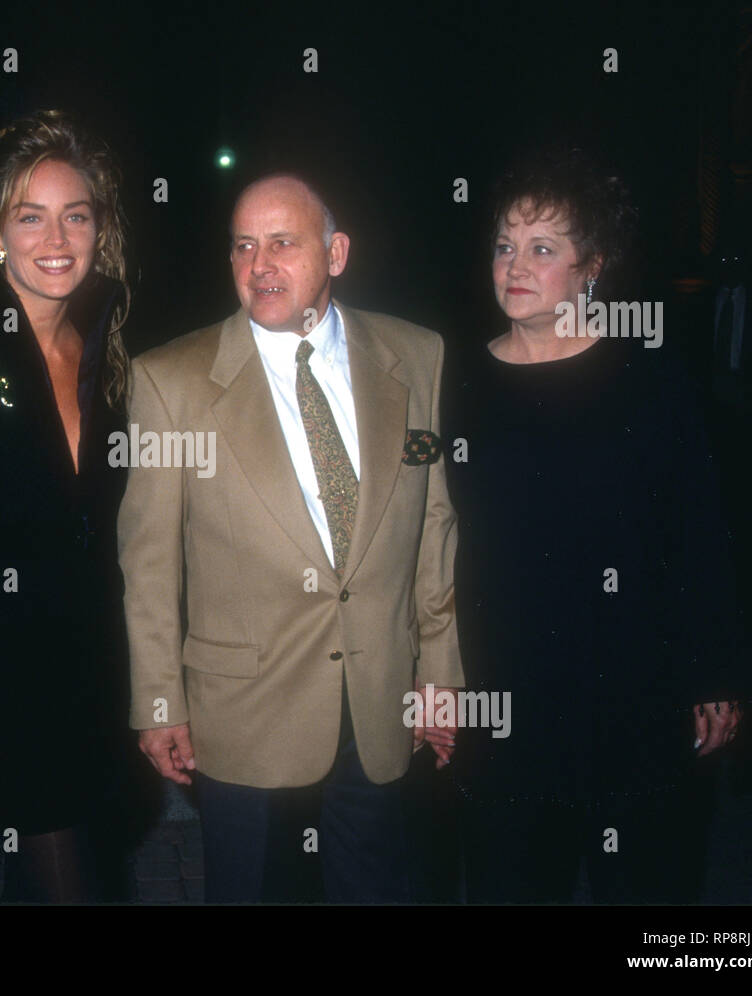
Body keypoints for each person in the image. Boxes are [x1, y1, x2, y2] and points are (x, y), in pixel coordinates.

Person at [118, 172, 461, 903]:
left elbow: (433, 524)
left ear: (336, 253)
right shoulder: (171, 382)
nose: (259, 264)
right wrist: (158, 702)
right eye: (243, 246)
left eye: (282, 242)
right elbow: (148, 561)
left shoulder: (417, 356)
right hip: (242, 715)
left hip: (378, 700)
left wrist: (440, 673)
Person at [443, 145, 744, 903]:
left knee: (647, 890)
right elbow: (429, 542)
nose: (516, 264)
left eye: (544, 248)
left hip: (634, 691)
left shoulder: (649, 376)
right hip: (504, 695)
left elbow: (699, 530)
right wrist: (432, 675)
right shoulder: (454, 381)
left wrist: (714, 671)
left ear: (593, 267)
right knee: (511, 884)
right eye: (506, 245)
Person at [0, 110, 141, 902]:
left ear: (100, 229)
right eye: (30, 215)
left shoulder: (109, 349)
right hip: (5, 681)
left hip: (95, 674)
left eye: (75, 215)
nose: (56, 237)